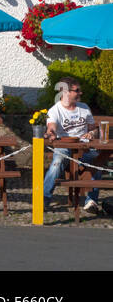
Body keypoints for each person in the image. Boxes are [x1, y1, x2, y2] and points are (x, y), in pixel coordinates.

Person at [43, 77, 103, 214]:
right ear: (65, 92)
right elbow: (51, 127)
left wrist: (92, 134)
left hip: (85, 148)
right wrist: (50, 133)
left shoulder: (84, 107)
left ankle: (91, 201)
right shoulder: (55, 110)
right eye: (77, 90)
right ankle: (44, 199)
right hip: (65, 147)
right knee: (56, 163)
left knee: (98, 161)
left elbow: (93, 128)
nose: (80, 93)